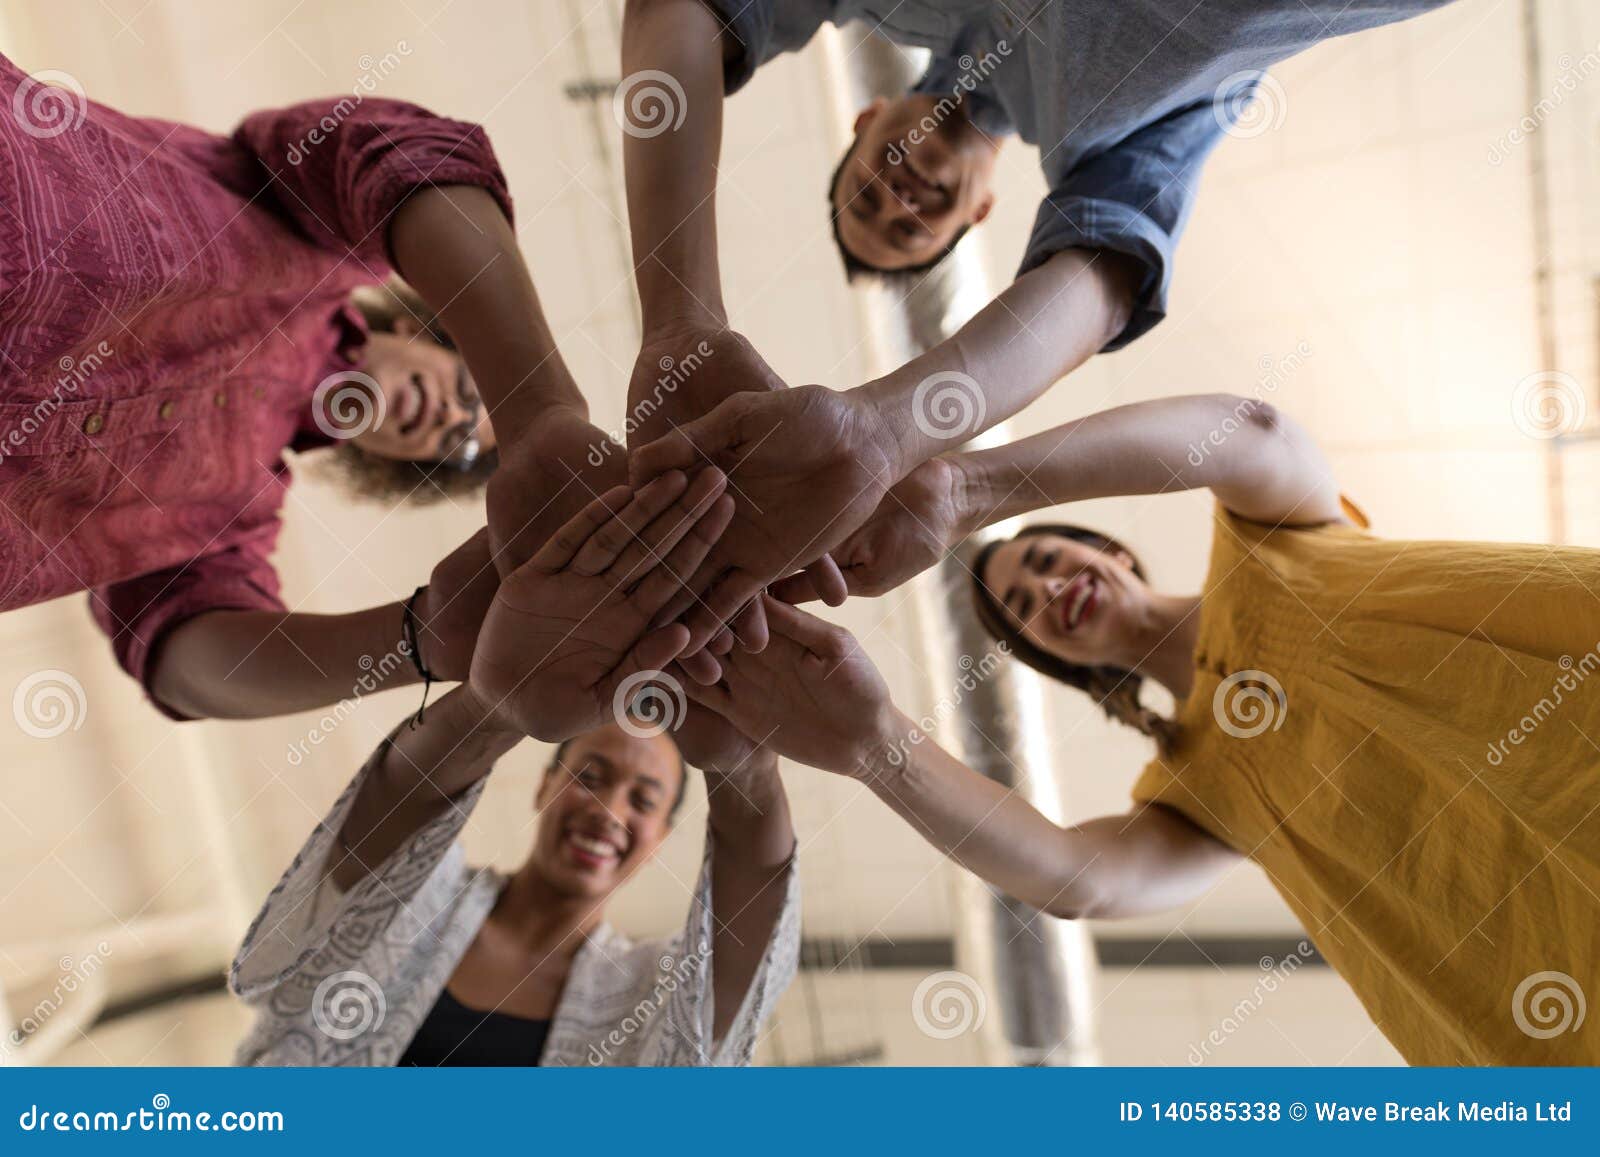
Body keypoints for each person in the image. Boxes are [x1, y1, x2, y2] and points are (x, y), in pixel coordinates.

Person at [687, 393, 1600, 1064]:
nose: (1047, 588)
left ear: (1109, 550)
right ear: (1061, 658)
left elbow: (1254, 432)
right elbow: (1076, 880)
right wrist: (873, 741)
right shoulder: (1197, 790)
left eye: (1045, 559)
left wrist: (970, 491)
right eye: (1024, 608)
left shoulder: (1272, 540)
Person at [615, 0, 1456, 654]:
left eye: (867, 192)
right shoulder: (1118, 147)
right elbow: (1099, 279)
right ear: (979, 216)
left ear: (866, 119)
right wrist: (887, 433)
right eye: (906, 229)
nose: (898, 200)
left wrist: (678, 322)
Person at [0, 54, 630, 720]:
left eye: (456, 442)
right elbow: (409, 154)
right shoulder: (326, 242)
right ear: (432, 336)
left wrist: (424, 638)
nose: (447, 415)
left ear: (402, 467)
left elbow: (184, 661)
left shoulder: (235, 517)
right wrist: (541, 413)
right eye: (471, 394)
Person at [232, 466, 799, 1066]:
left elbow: (753, 943)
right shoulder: (424, 900)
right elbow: (400, 796)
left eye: (644, 799)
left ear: (659, 840)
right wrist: (498, 701)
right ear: (544, 786)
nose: (608, 811)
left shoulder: (647, 997)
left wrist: (745, 767)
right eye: (590, 776)